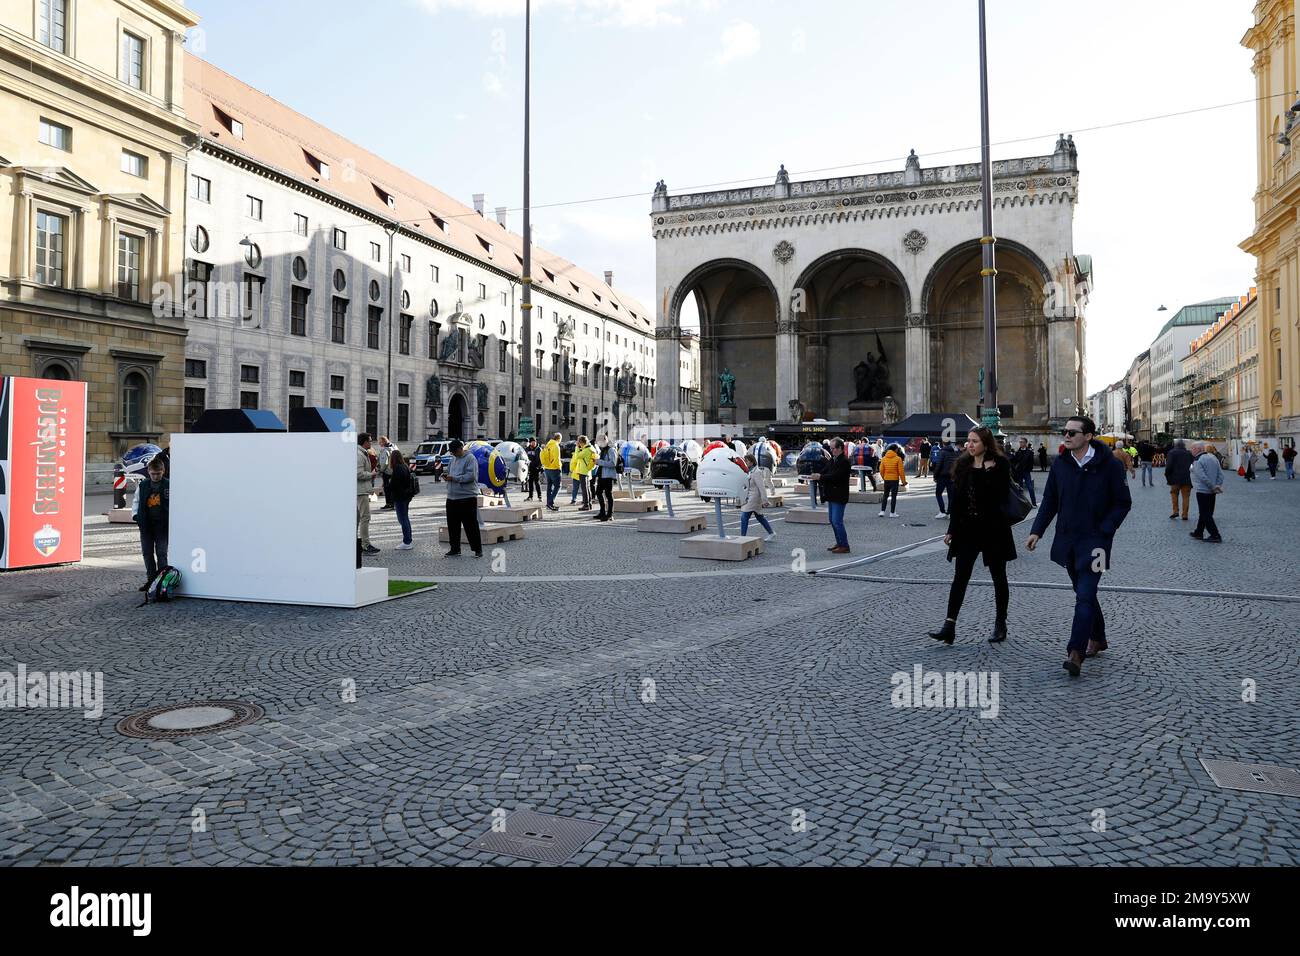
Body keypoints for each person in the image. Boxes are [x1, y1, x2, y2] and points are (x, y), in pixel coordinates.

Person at [1026, 416, 1132, 677]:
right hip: (1068, 542)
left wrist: (1106, 529)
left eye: (1073, 432)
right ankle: (1099, 638)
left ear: (1089, 436)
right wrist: (1037, 531)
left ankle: (1076, 652)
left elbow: (1123, 502)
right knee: (1084, 592)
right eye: (1065, 432)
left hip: (1096, 543)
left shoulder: (1110, 465)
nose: (1067, 436)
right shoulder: (1061, 464)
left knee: (1085, 593)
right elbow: (1050, 500)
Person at [928, 426, 1015, 645]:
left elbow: (999, 496)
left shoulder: (1000, 464)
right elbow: (957, 501)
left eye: (975, 441)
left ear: (986, 443)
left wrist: (988, 472)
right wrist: (951, 530)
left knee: (998, 577)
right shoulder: (963, 464)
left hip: (994, 529)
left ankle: (1000, 623)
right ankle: (949, 625)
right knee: (960, 577)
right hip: (967, 530)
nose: (970, 445)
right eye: (968, 441)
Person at [133, 457, 169, 589]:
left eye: (158, 473)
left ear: (163, 471)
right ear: (148, 471)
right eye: (153, 473)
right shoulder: (143, 485)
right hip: (146, 525)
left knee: (161, 553)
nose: (155, 476)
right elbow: (136, 501)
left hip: (162, 526)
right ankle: (151, 580)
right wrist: (136, 516)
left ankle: (163, 581)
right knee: (147, 553)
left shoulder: (168, 485)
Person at [443, 439, 482, 557]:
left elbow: (471, 476)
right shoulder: (453, 459)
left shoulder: (470, 459)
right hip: (452, 497)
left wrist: (453, 478)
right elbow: (449, 471)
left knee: (470, 525)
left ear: (460, 449)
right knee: (452, 525)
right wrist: (446, 475)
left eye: (454, 451)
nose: (453, 454)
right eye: (451, 452)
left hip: (467, 497)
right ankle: (455, 548)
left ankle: (477, 549)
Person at [812, 437, 851, 554]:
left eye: (833, 448)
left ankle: (844, 545)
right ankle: (839, 543)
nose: (832, 450)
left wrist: (820, 477)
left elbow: (836, 476)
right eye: (831, 448)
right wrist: (817, 474)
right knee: (832, 520)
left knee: (837, 521)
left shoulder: (844, 461)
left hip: (839, 495)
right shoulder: (833, 459)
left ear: (840, 448)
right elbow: (825, 470)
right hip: (832, 495)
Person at [1188, 441, 1224, 543]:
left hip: (1203, 490)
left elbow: (1202, 476)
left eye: (1192, 448)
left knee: (1205, 514)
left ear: (1199, 449)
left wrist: (1213, 487)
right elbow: (1220, 474)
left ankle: (1215, 535)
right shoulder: (1213, 457)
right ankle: (1199, 532)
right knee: (1205, 512)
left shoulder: (1198, 460)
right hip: (1212, 491)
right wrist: (1217, 485)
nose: (1191, 450)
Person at [740, 453, 776, 541]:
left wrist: (765, 500)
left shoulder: (757, 472)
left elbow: (762, 487)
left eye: (747, 461)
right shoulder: (748, 471)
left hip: (754, 498)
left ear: (752, 462)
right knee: (759, 517)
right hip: (749, 497)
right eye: (745, 461)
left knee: (744, 516)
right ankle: (771, 533)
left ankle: (742, 538)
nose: (745, 462)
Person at [388, 448, 416, 550]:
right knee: (405, 518)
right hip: (406, 496)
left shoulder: (398, 469)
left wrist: (388, 485)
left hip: (400, 497)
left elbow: (395, 485)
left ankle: (407, 541)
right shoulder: (405, 466)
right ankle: (408, 540)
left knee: (403, 519)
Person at [357, 433, 378, 555]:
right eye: (370, 441)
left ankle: (359, 544)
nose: (371, 443)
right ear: (364, 442)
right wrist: (372, 474)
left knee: (359, 518)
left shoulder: (362, 453)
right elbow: (358, 474)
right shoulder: (360, 454)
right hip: (361, 491)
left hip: (361, 490)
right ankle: (365, 545)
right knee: (365, 518)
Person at [1164, 438, 1193, 521]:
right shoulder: (1188, 453)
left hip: (1174, 478)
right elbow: (1192, 463)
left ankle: (1175, 511)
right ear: (1184, 445)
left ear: (1175, 445)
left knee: (1174, 494)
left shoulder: (1172, 452)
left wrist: (1167, 474)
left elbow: (1169, 466)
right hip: (1186, 478)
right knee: (1186, 497)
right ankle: (1185, 514)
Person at [877, 442, 907, 518]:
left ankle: (882, 511)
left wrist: (884, 477)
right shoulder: (898, 459)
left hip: (886, 479)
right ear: (896, 449)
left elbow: (881, 470)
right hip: (894, 480)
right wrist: (904, 482)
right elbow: (901, 471)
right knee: (893, 496)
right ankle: (892, 513)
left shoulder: (884, 458)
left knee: (885, 495)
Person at [933, 440, 960, 519]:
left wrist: (935, 476)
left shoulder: (943, 451)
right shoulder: (956, 452)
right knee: (951, 495)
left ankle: (942, 511)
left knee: (938, 493)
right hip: (952, 476)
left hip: (942, 476)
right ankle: (950, 512)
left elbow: (939, 464)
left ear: (943, 444)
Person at [593, 438, 617, 521]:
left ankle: (610, 514)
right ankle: (602, 512)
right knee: (598, 492)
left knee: (608, 495)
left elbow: (613, 463)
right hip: (602, 475)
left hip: (608, 476)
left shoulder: (611, 450)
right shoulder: (603, 450)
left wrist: (599, 462)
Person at [569, 435, 595, 509]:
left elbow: (577, 456)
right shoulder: (590, 448)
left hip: (583, 471)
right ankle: (589, 504)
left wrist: (577, 447)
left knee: (584, 489)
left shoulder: (587, 449)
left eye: (579, 442)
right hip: (587, 470)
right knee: (587, 488)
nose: (578, 444)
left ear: (582, 442)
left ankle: (586, 505)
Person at [1011, 437, 1037, 507]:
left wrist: (1029, 469)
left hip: (1026, 472)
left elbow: (1031, 462)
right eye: (1020, 442)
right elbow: (1014, 461)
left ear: (1025, 443)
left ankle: (1034, 503)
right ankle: (1022, 504)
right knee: (1020, 489)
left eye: (1022, 442)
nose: (1020, 443)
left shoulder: (1030, 452)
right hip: (1019, 472)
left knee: (1030, 488)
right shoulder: (1017, 452)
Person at [541, 432, 562, 512]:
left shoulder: (548, 445)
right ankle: (550, 503)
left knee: (549, 486)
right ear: (559, 439)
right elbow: (556, 458)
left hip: (547, 468)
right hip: (554, 468)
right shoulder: (556, 446)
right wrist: (558, 467)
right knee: (558, 486)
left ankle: (548, 504)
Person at [376, 436, 395, 509]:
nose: (379, 444)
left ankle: (389, 503)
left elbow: (384, 463)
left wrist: (380, 470)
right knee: (393, 488)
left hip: (387, 472)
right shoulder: (394, 447)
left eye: (380, 442)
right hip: (394, 471)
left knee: (387, 488)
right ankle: (393, 503)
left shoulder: (385, 450)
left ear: (384, 442)